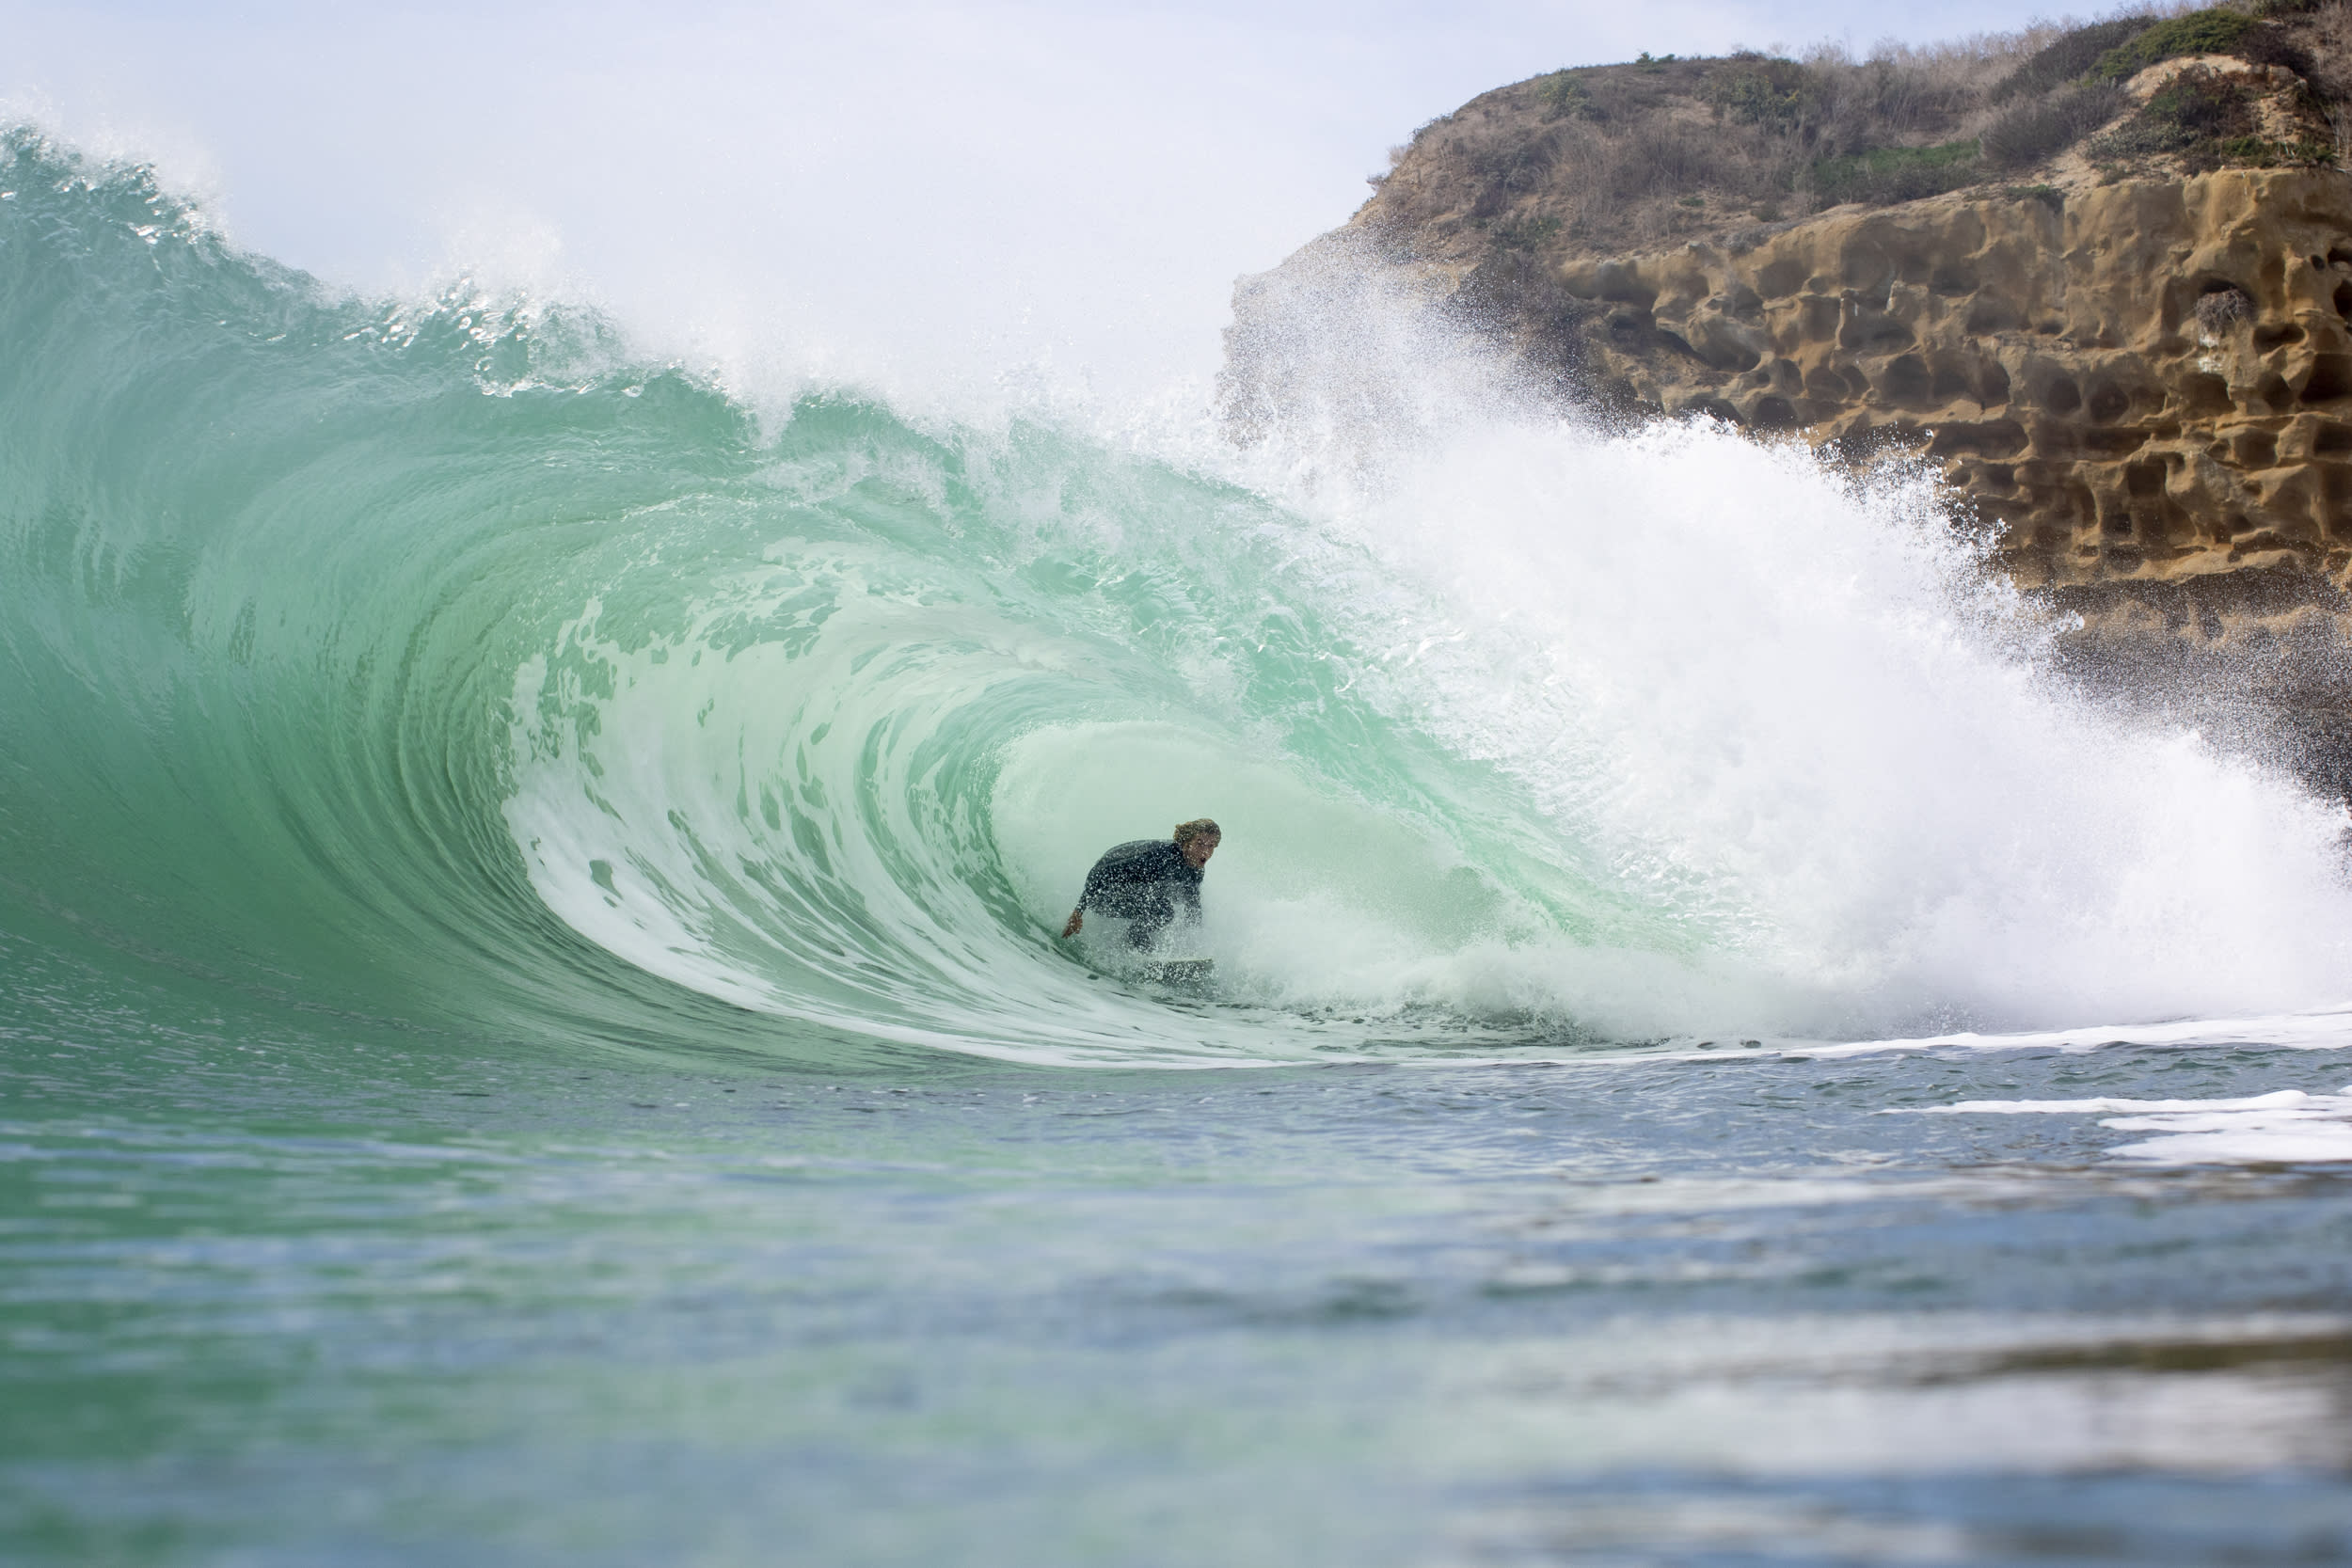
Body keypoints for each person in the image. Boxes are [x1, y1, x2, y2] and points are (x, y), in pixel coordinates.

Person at [1061, 818, 1220, 950]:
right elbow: (1099, 872)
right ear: (1186, 842)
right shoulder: (1160, 856)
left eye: (1211, 846)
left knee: (1171, 901)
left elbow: (1193, 906)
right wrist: (1078, 911)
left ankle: (1135, 940)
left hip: (1128, 894)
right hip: (1101, 897)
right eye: (1200, 843)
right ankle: (1132, 941)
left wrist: (1196, 943)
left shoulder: (1196, 869)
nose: (1205, 851)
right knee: (1164, 910)